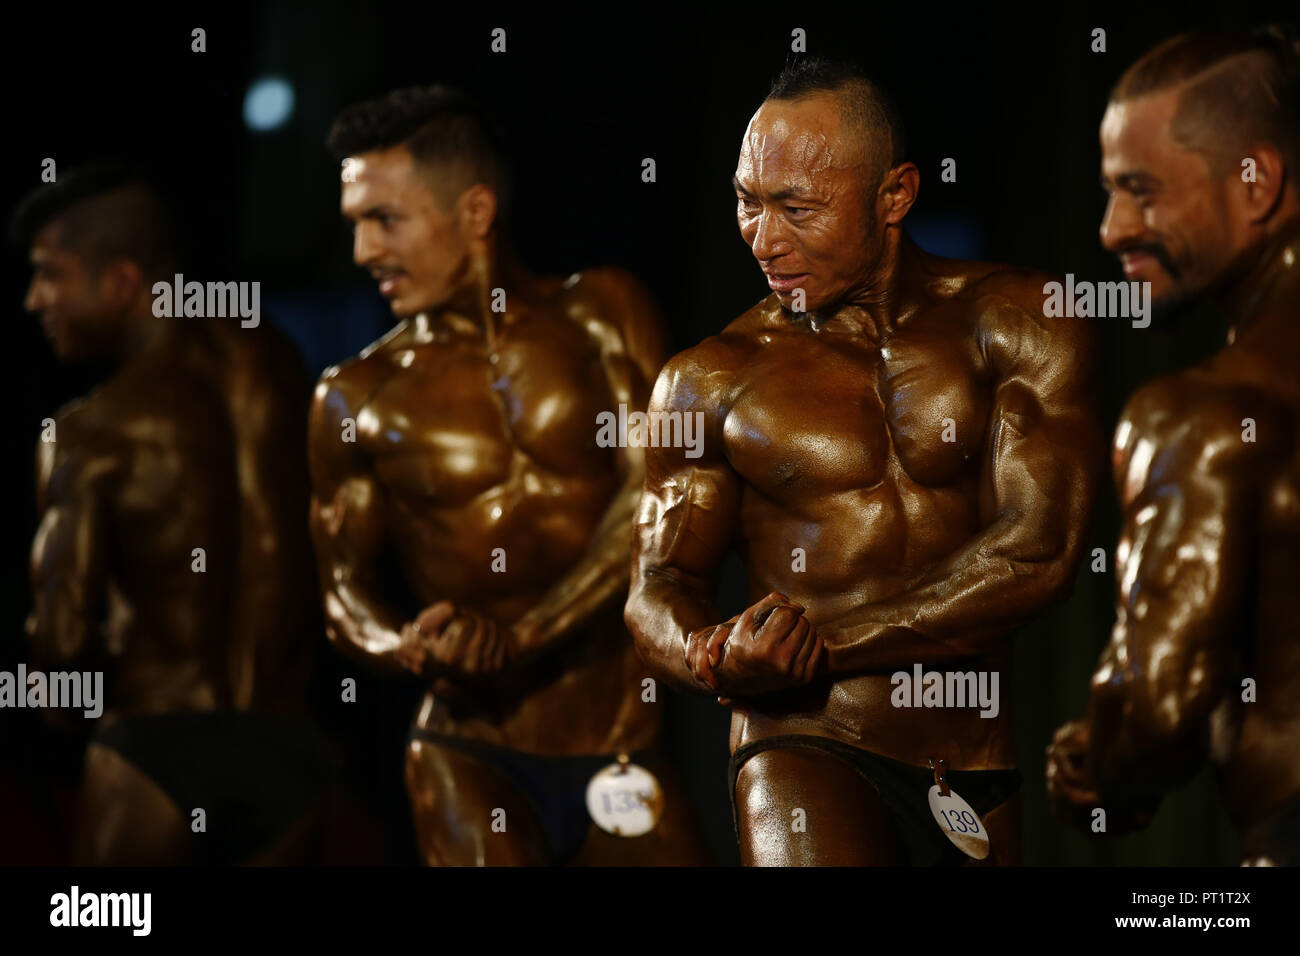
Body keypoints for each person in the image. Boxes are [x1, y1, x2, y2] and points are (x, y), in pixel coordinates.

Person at [626, 56, 1102, 866]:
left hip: (973, 762)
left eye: (797, 208)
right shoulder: (709, 378)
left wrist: (819, 648)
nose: (764, 240)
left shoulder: (1022, 319)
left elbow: (1041, 552)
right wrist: (711, 655)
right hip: (802, 742)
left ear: (895, 196)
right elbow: (657, 591)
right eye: (747, 203)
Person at [312, 85, 706, 865]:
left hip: (620, 736)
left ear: (475, 211)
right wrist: (406, 647)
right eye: (355, 225)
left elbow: (654, 499)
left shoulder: (604, 312)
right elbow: (341, 592)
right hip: (467, 749)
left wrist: (523, 635)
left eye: (383, 220)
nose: (363, 253)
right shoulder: (354, 395)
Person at [15, 164, 329, 864]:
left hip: (154, 748)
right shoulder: (281, 366)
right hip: (292, 749)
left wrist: (54, 696)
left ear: (123, 282)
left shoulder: (85, 431)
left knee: (98, 923)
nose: (35, 299)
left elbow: (63, 644)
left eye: (50, 275)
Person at [1047, 26, 1300, 866]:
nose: (1114, 228)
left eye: (1141, 191)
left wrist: (1098, 761)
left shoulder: (1204, 415)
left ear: (1256, 183)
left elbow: (1161, 706)